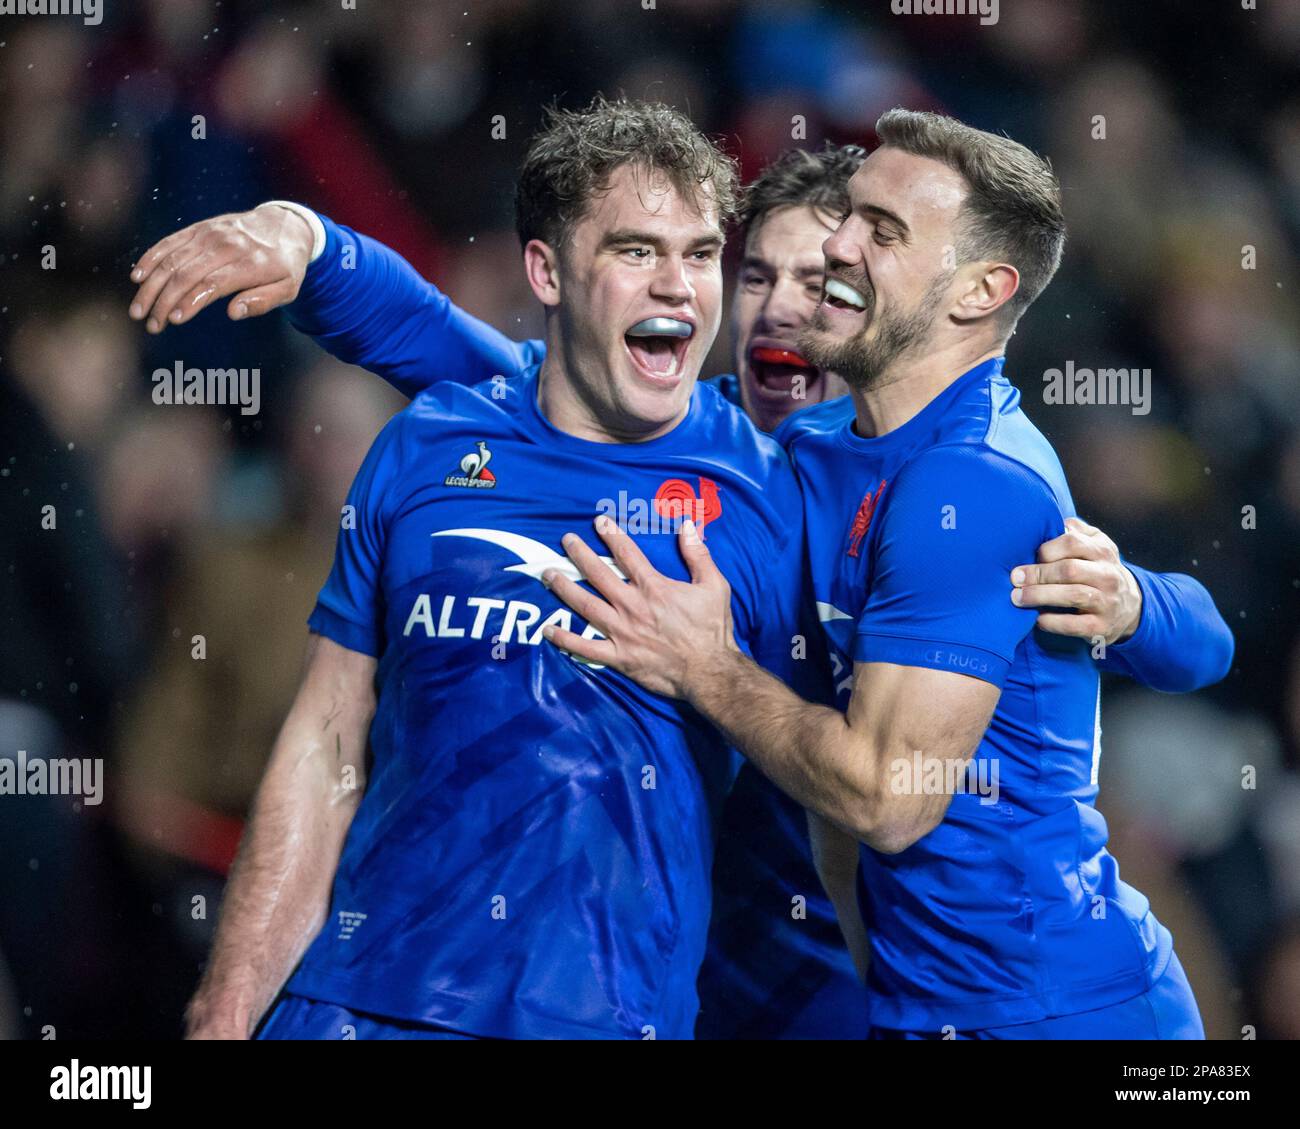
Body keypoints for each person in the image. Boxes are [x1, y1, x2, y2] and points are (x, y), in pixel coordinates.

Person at [130, 107, 1232, 1039]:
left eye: (836, 269)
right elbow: (503, 373)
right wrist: (318, 251)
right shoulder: (545, 442)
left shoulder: (862, 488)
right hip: (533, 985)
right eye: (758, 270)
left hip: (865, 988)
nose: (792, 300)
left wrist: (1142, 601)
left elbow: (1060, 641)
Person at [537, 109, 1232, 1039]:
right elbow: (537, 385)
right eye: (848, 217)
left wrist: (702, 665)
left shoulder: (974, 482)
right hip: (907, 1001)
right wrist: (333, 265)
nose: (837, 249)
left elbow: (891, 799)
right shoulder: (814, 449)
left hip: (1059, 1010)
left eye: (882, 231)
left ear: (982, 290)